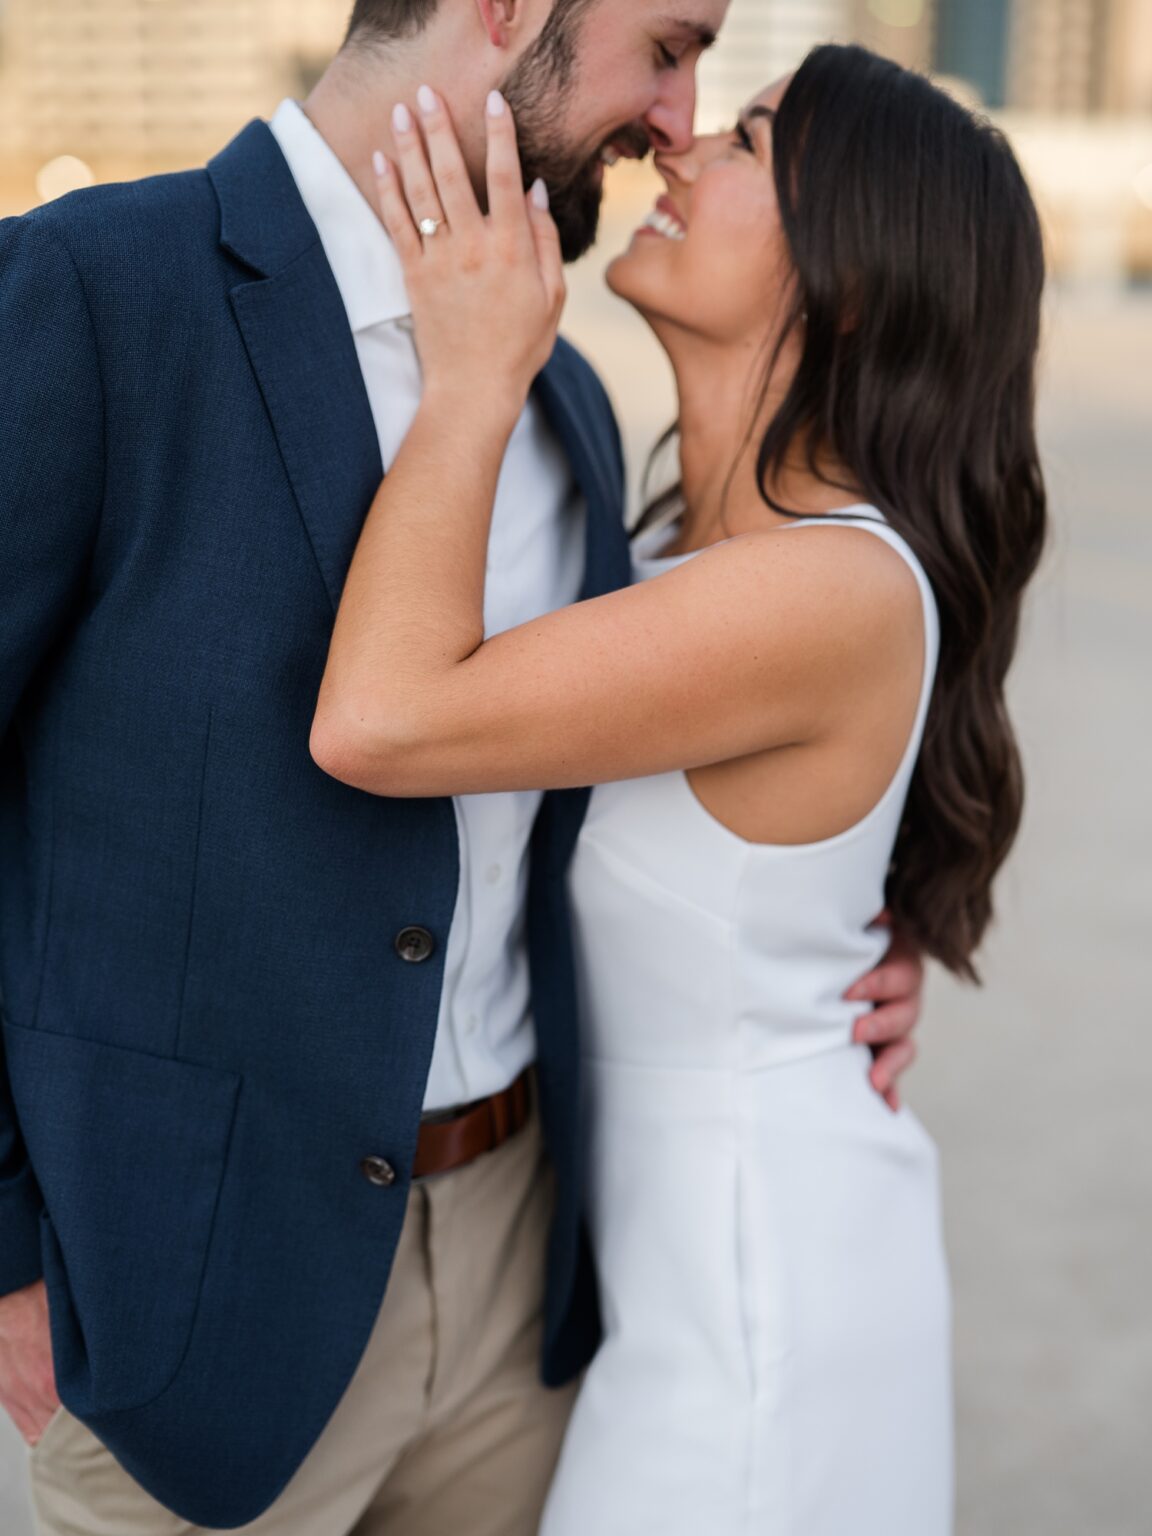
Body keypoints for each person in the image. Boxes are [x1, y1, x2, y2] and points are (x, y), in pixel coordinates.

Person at [0, 4, 927, 1533]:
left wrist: (847, 946)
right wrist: (11, 1252)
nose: (676, 117)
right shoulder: (99, 293)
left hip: (525, 1273)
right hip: (195, 1305)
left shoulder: (562, 394)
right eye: (669, 46)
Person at [309, 41, 1048, 1536]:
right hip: (653, 1286)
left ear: (848, 272)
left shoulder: (824, 591)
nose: (683, 146)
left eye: (753, 143)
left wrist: (468, 384)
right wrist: (854, 940)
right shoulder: (691, 571)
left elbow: (381, 721)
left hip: (758, 1313)